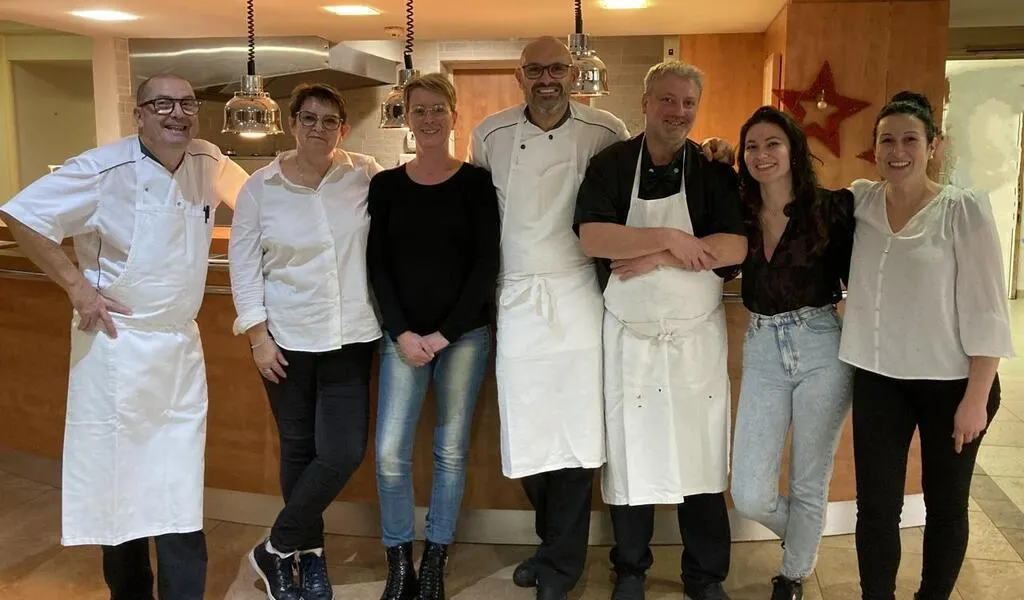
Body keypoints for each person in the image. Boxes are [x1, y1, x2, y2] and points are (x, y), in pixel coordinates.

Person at [0, 74, 246, 600]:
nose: (176, 114)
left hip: (178, 350)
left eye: (186, 104)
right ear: (139, 115)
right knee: (121, 491)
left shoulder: (208, 161)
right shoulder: (100, 169)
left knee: (179, 494)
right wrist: (76, 288)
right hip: (116, 348)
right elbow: (21, 215)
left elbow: (259, 203)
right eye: (162, 105)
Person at [574, 60, 747, 600]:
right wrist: (672, 237)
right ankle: (630, 570)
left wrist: (656, 256)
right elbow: (595, 239)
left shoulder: (714, 171)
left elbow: (734, 249)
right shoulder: (611, 165)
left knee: (702, 454)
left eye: (688, 103)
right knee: (631, 453)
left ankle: (705, 574)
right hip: (630, 336)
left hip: (696, 338)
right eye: (667, 100)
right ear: (645, 103)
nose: (678, 112)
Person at [468, 36, 630, 600]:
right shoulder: (488, 134)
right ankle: (552, 544)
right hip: (515, 296)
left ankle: (561, 564)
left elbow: (629, 201)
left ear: (573, 72)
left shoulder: (607, 130)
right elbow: (478, 215)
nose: (546, 79)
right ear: (520, 76)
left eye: (556, 68)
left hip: (579, 293)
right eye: (534, 69)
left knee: (577, 433)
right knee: (528, 431)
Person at [840, 91, 1014, 600]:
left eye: (910, 139)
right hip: (878, 380)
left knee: (945, 505)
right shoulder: (860, 201)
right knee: (875, 507)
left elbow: (988, 310)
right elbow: (798, 205)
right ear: (874, 148)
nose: (898, 150)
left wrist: (976, 399)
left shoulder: (962, 210)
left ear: (933, 147)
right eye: (887, 139)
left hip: (954, 385)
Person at [228, 83, 383, 600]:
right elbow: (245, 267)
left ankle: (273, 548)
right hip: (286, 343)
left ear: (343, 127)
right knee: (298, 450)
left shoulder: (364, 175)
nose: (319, 127)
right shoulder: (260, 187)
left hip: (350, 338)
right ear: (292, 123)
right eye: (308, 118)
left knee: (341, 452)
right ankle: (306, 557)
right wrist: (257, 336)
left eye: (329, 120)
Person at [367, 73, 500, 600]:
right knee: (389, 452)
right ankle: (400, 561)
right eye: (417, 110)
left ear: (453, 115)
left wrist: (444, 334)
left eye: (436, 109)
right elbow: (377, 265)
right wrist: (401, 332)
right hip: (401, 338)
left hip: (463, 336)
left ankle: (435, 562)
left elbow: (486, 263)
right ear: (406, 118)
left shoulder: (475, 183)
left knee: (449, 449)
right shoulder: (386, 185)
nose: (427, 119)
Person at [728, 106, 855, 600]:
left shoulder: (833, 207)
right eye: (752, 146)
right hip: (762, 347)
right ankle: (803, 537)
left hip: (822, 343)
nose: (762, 155)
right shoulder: (738, 210)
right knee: (749, 492)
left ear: (794, 149)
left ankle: (794, 575)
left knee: (808, 479)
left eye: (772, 144)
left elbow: (861, 280)